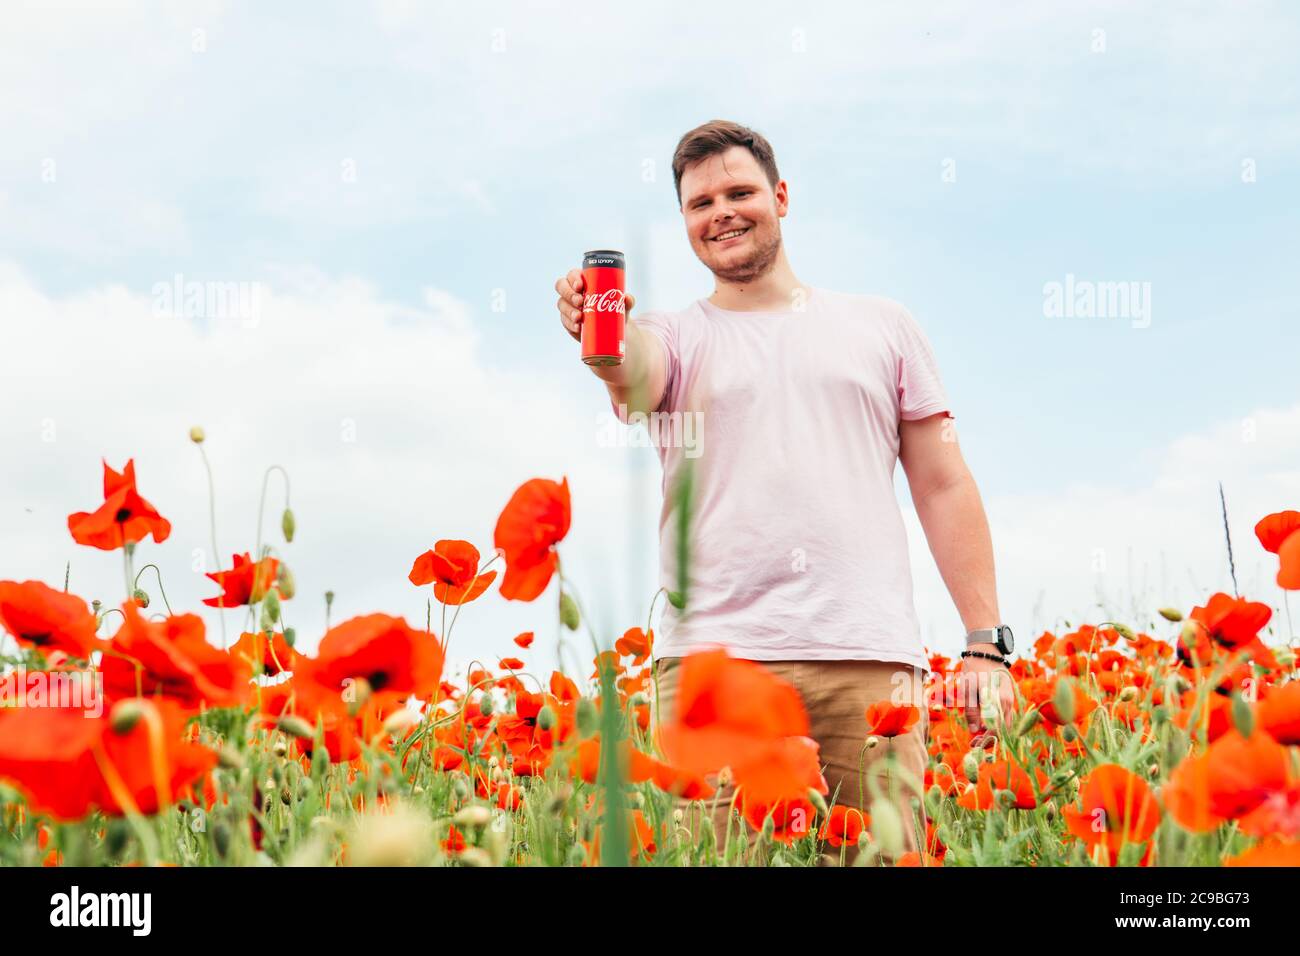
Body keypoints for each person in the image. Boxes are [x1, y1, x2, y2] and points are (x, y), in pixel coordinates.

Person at [554, 119, 1014, 864]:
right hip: (713, 669)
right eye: (701, 203)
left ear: (782, 196)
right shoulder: (673, 338)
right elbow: (629, 370)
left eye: (740, 192)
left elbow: (943, 480)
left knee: (881, 857)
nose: (722, 212)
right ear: (684, 223)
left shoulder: (882, 326)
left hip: (867, 661)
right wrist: (598, 328)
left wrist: (984, 645)